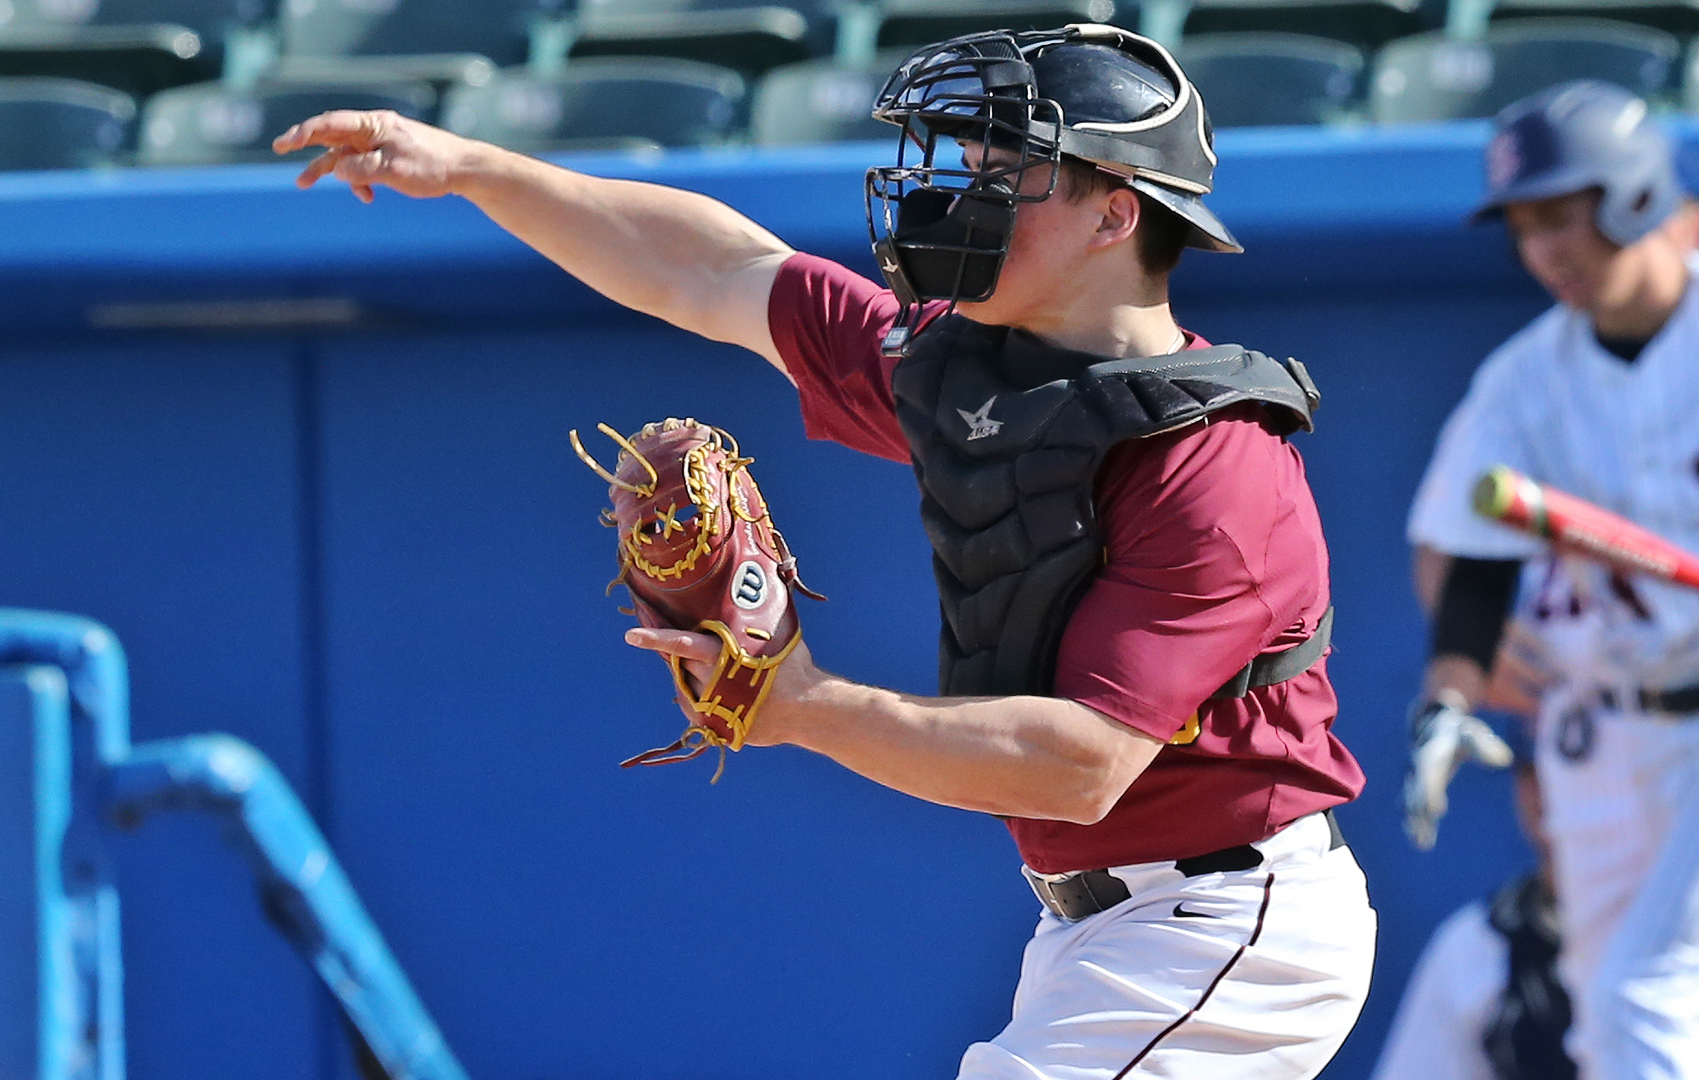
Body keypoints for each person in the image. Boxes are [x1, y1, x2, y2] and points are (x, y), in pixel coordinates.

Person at [275, 25, 1374, 1079]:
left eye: (1008, 176)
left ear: (1115, 213)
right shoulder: (964, 370)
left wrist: (803, 705)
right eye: (971, 169)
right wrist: (474, 168)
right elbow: (712, 270)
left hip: (1232, 922)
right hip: (1106, 926)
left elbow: (1079, 766)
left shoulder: (1213, 465)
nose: (962, 198)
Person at [1401, 78, 1699, 1080]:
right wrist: (1450, 693)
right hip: (1625, 739)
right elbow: (1473, 562)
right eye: (1524, 227)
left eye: (1560, 214)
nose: (1544, 249)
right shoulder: (1523, 380)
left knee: (1644, 996)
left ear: (1633, 196)